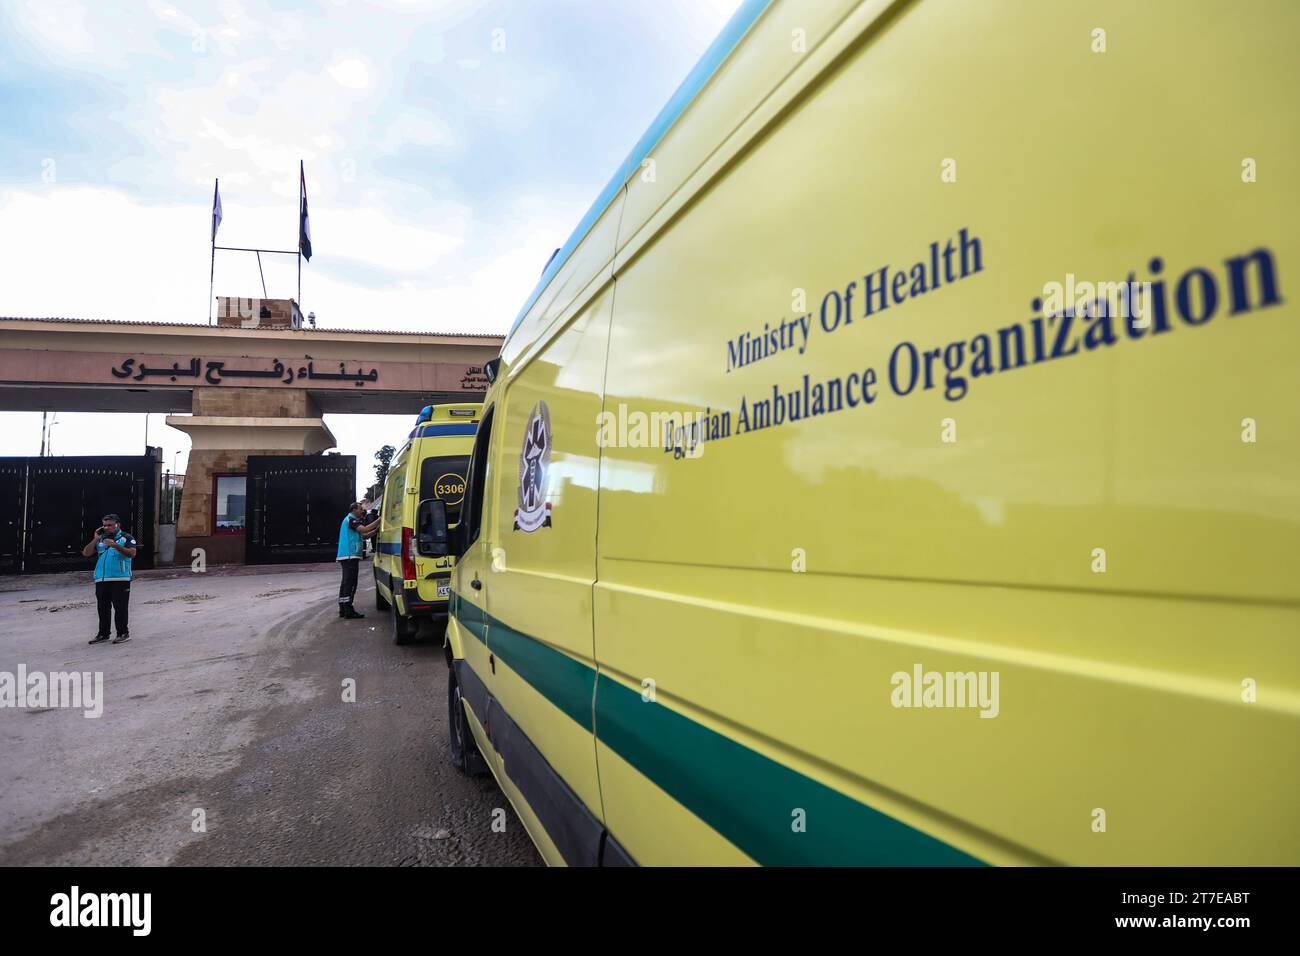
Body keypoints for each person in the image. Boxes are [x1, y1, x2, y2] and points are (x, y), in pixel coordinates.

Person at [82, 513, 137, 645]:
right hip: (101, 579)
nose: (107, 527)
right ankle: (103, 634)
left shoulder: (126, 538)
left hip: (120, 578)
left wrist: (115, 546)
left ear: (118, 525)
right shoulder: (101, 539)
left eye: (110, 525)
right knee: (102, 608)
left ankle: (123, 633)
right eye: (105, 525)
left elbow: (132, 553)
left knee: (120, 607)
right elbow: (86, 553)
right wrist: (95, 539)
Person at [337, 500, 379, 619]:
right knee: (350, 583)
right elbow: (364, 529)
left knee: (346, 583)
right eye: (360, 509)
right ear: (354, 509)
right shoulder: (351, 520)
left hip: (348, 556)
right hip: (349, 555)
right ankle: (348, 610)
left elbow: (364, 535)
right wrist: (380, 519)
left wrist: (375, 532)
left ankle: (343, 608)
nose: (362, 511)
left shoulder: (351, 521)